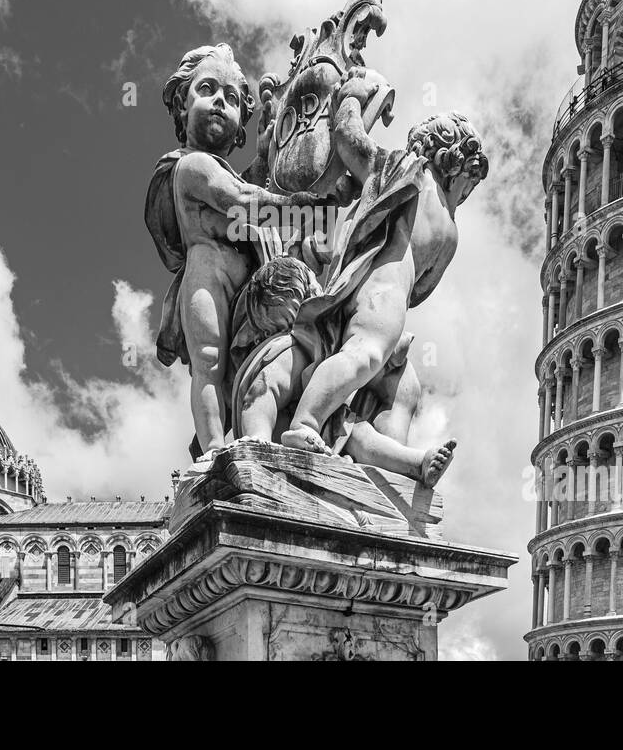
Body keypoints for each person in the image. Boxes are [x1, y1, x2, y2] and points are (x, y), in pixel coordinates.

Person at [279, 75, 489, 454]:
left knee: (403, 388)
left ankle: (386, 465)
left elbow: (422, 288)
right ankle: (304, 423)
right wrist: (354, 97)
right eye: (469, 178)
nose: (468, 190)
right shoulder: (413, 174)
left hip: (394, 299)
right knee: (367, 355)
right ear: (453, 161)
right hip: (383, 290)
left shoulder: (445, 223)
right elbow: (350, 139)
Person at [144, 44, 328, 460]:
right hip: (206, 277)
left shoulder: (228, 168)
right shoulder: (191, 167)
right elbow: (244, 200)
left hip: (245, 284)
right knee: (209, 365)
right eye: (207, 90)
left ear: (240, 123)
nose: (219, 103)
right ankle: (212, 452)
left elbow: (257, 184)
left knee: (236, 369)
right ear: (180, 103)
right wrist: (311, 208)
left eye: (230, 99)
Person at [231, 256, 456, 487]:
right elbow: (261, 394)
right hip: (290, 437)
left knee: (362, 436)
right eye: (278, 328)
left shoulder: (323, 346)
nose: (285, 331)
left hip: (332, 428)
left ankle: (418, 463)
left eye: (287, 322)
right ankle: (415, 463)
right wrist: (258, 440)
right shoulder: (291, 349)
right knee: (359, 436)